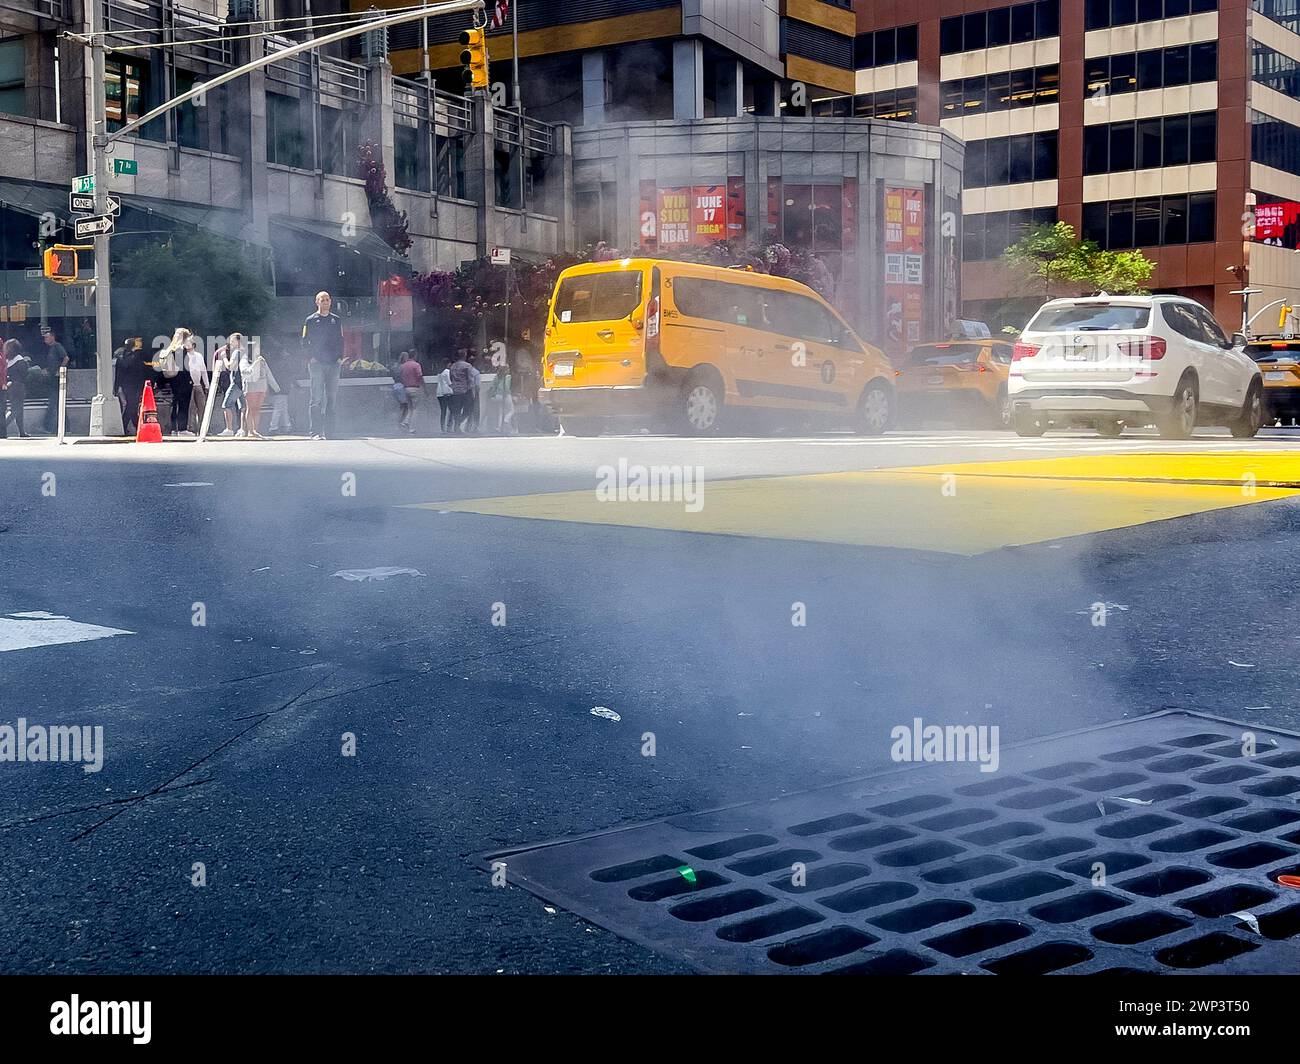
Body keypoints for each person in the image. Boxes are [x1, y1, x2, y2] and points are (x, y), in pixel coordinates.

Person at [302, 291, 344, 440]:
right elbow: (304, 340)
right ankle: (315, 432)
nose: (325, 302)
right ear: (317, 302)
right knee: (317, 399)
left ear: (330, 302)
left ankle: (330, 433)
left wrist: (340, 357)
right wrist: (310, 358)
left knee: (331, 398)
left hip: (334, 364)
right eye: (322, 300)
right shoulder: (310, 320)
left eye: (327, 299)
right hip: (317, 364)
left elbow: (341, 339)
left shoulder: (336, 320)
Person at [239, 339, 280, 440]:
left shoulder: (262, 360)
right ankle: (250, 431)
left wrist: (275, 386)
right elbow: (246, 373)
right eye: (256, 349)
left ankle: (255, 430)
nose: (258, 351)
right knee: (250, 408)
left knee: (257, 409)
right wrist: (255, 363)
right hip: (250, 387)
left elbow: (268, 373)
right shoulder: (244, 360)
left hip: (261, 387)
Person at [161, 328, 193, 437]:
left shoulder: (170, 349)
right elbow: (184, 366)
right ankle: (183, 429)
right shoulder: (181, 349)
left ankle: (174, 429)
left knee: (175, 404)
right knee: (184, 404)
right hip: (183, 380)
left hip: (173, 379)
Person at [40, 326, 69, 433]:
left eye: (47, 337)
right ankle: (64, 427)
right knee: (57, 403)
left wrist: (60, 370)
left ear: (53, 337)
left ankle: (48, 426)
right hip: (52, 377)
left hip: (57, 379)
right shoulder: (50, 349)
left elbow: (65, 358)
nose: (45, 340)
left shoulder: (57, 346)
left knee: (54, 402)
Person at [216, 335, 247, 437]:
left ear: (238, 341)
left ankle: (229, 429)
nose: (230, 343)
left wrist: (224, 357)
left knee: (226, 405)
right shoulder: (246, 352)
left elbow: (230, 366)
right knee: (243, 407)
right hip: (244, 383)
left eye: (232, 341)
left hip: (236, 383)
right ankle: (242, 429)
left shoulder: (236, 352)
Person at [3, 338, 31, 438]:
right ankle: (2, 427)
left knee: (18, 409)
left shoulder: (6, 361)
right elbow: (25, 373)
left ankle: (22, 432)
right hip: (18, 386)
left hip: (10, 387)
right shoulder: (20, 360)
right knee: (16, 410)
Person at [186, 334, 210, 434]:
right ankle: (191, 429)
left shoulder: (199, 356)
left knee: (202, 407)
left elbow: (203, 371)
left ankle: (203, 429)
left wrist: (207, 385)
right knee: (191, 408)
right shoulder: (184, 356)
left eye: (188, 342)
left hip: (198, 384)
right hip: (189, 385)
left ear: (193, 344)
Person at [398, 350, 424, 434]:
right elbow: (420, 376)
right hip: (415, 388)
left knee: (410, 408)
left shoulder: (403, 366)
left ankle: (405, 421)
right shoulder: (416, 365)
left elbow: (400, 377)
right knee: (416, 409)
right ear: (415, 355)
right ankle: (411, 428)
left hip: (406, 388)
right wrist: (424, 387)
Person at [435, 355, 454, 433]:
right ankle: (449, 426)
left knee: (443, 411)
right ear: (448, 364)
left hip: (439, 393)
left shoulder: (439, 372)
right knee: (452, 410)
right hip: (447, 392)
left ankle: (442, 428)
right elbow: (449, 383)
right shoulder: (447, 371)